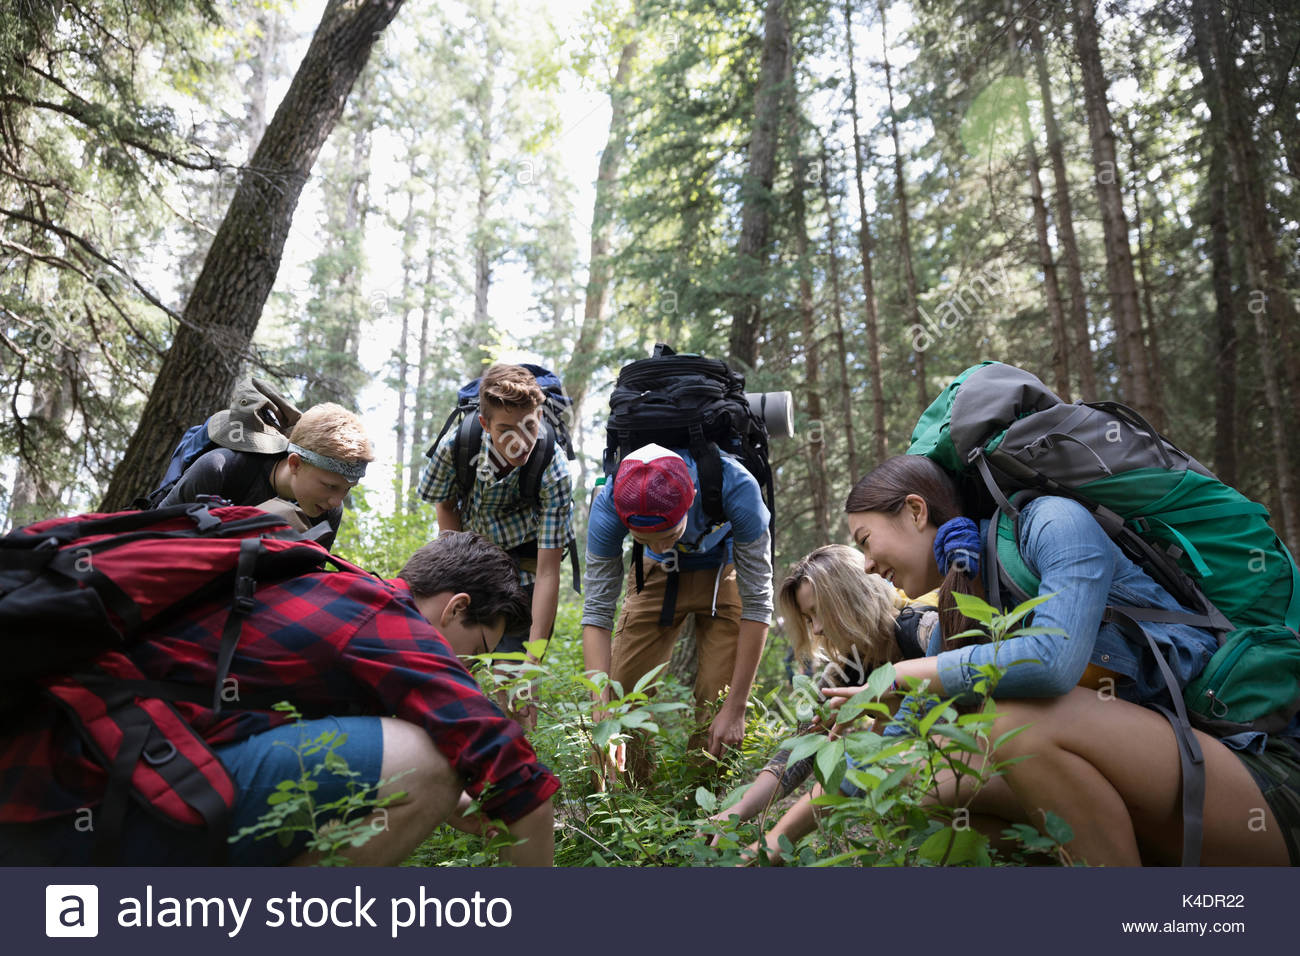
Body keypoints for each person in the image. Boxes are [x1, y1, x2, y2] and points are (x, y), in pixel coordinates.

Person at [812, 454, 1300, 866]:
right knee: (930, 784)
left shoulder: (1052, 522)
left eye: (864, 540)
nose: (869, 565)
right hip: (1174, 815)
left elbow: (1053, 661)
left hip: (1260, 785)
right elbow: (895, 760)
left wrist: (903, 673)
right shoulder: (957, 614)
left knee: (1011, 724)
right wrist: (773, 830)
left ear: (916, 511)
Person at [0, 530, 558, 866]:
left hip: (62, 781)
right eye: (474, 650)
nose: (466, 669)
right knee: (428, 760)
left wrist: (462, 806)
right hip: (85, 800)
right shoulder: (381, 616)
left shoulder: (328, 587)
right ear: (455, 608)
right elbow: (513, 772)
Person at [707, 545, 938, 846]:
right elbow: (799, 750)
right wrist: (739, 810)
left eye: (819, 612)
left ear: (850, 597)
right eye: (808, 618)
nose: (816, 628)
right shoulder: (848, 666)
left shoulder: (924, 630)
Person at [582, 443, 773, 781]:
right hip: (655, 575)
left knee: (720, 699)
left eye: (668, 535)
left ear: (693, 496)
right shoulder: (608, 505)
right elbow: (597, 612)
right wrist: (602, 713)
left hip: (724, 566)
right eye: (644, 538)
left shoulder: (738, 487)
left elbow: (758, 603)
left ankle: (703, 808)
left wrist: (737, 707)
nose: (659, 545)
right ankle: (632, 799)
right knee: (621, 698)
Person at [419, 364, 576, 673]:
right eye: (506, 429)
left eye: (529, 427)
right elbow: (447, 505)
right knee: (452, 663)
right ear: (485, 424)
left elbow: (548, 572)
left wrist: (534, 659)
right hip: (473, 562)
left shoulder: (552, 468)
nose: (521, 440)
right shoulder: (457, 448)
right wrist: (457, 573)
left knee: (512, 676)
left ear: (539, 417)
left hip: (528, 575)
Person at [161, 398, 374, 547]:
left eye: (346, 490)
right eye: (330, 486)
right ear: (295, 464)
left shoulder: (327, 513)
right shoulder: (219, 469)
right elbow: (153, 536)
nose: (337, 501)